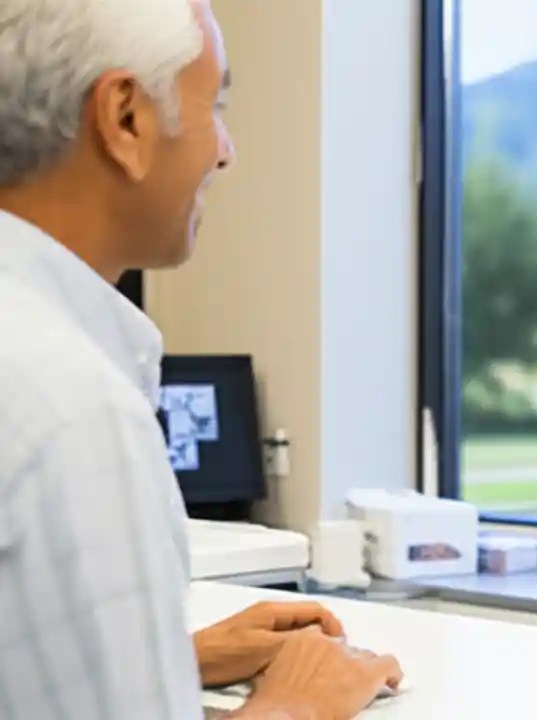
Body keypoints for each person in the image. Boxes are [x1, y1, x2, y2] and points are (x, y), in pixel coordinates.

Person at [0, 1, 402, 717]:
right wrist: (297, 704)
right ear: (125, 118)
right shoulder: (76, 413)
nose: (224, 150)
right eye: (213, 105)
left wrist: (164, 654)